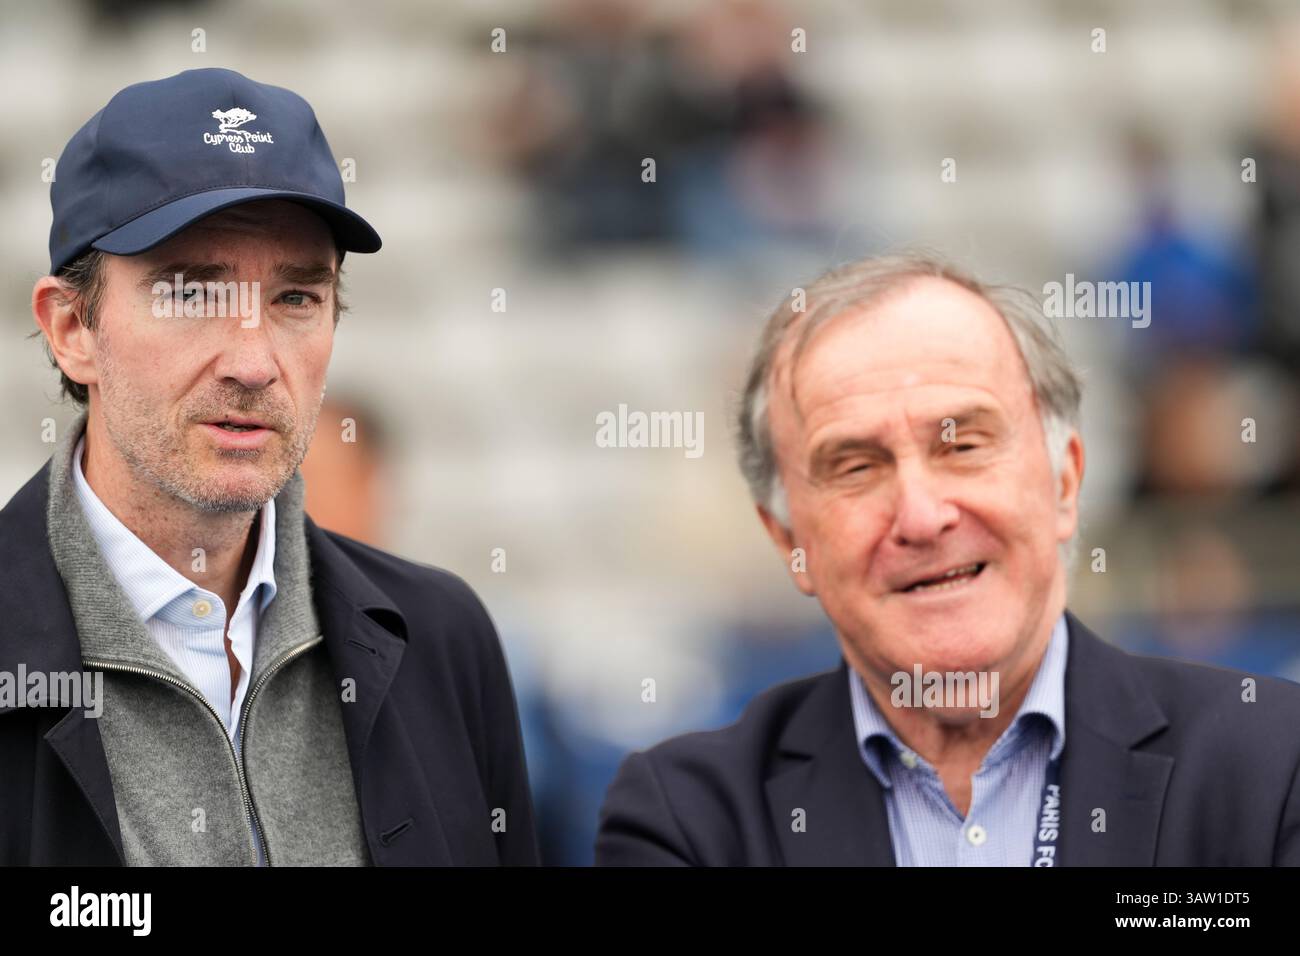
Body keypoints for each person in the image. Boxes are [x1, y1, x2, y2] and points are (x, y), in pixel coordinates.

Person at [595, 253, 1300, 866]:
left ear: (1064, 483)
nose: (923, 516)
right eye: (856, 467)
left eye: (961, 446)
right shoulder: (691, 822)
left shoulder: (1272, 766)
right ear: (789, 542)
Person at [1, 68, 538, 866]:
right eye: (192, 293)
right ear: (73, 328)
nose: (254, 363)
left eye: (295, 298)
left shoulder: (442, 638)